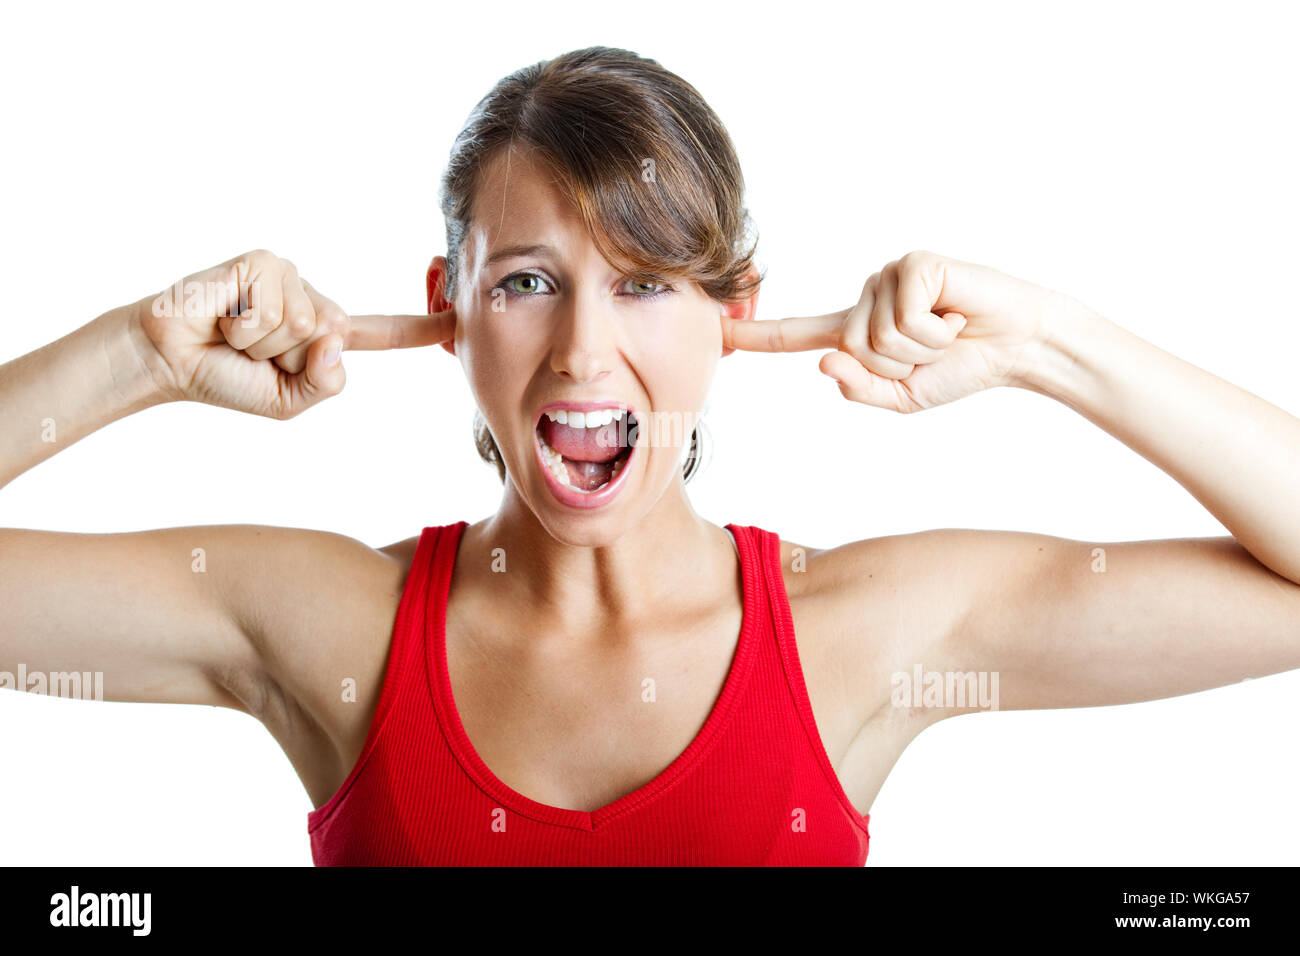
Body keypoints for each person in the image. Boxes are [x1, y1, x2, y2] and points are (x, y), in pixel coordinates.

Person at [3, 46, 1298, 866]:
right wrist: (145, 354)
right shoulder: (326, 621)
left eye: (645, 285)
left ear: (736, 313)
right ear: (445, 309)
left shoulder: (869, 630)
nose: (578, 350)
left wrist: (1047, 346)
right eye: (525, 281)